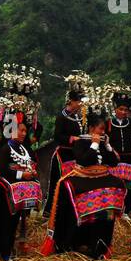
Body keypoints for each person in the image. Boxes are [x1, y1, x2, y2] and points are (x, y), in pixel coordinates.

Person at [42, 113, 126, 259]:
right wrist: (93, 144)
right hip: (84, 176)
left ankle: (100, 245)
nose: (103, 132)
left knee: (117, 184)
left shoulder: (103, 143)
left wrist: (107, 145)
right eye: (100, 129)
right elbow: (84, 160)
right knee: (74, 189)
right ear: (92, 129)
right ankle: (73, 242)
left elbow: (113, 162)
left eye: (104, 129)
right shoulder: (80, 142)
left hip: (101, 176)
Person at [0, 118, 42, 261]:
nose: (23, 134)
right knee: (6, 222)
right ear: (13, 131)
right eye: (21, 130)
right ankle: (3, 252)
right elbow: (2, 169)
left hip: (18, 189)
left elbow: (30, 165)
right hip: (3, 190)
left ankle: (8, 251)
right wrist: (22, 174)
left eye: (25, 131)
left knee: (14, 221)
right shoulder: (6, 148)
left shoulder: (24, 149)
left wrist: (32, 173)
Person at [45, 73, 89, 214]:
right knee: (58, 183)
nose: (80, 104)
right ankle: (52, 211)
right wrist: (71, 138)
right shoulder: (61, 116)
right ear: (71, 101)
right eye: (78, 102)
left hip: (76, 154)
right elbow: (57, 136)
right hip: (63, 154)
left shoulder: (79, 116)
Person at [105, 90, 131, 216]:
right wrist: (109, 149)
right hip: (115, 158)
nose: (123, 112)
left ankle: (129, 210)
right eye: (121, 109)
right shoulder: (108, 123)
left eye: (126, 110)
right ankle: (116, 208)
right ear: (115, 109)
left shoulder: (130, 122)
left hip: (130, 158)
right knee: (116, 184)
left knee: (130, 185)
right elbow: (104, 137)